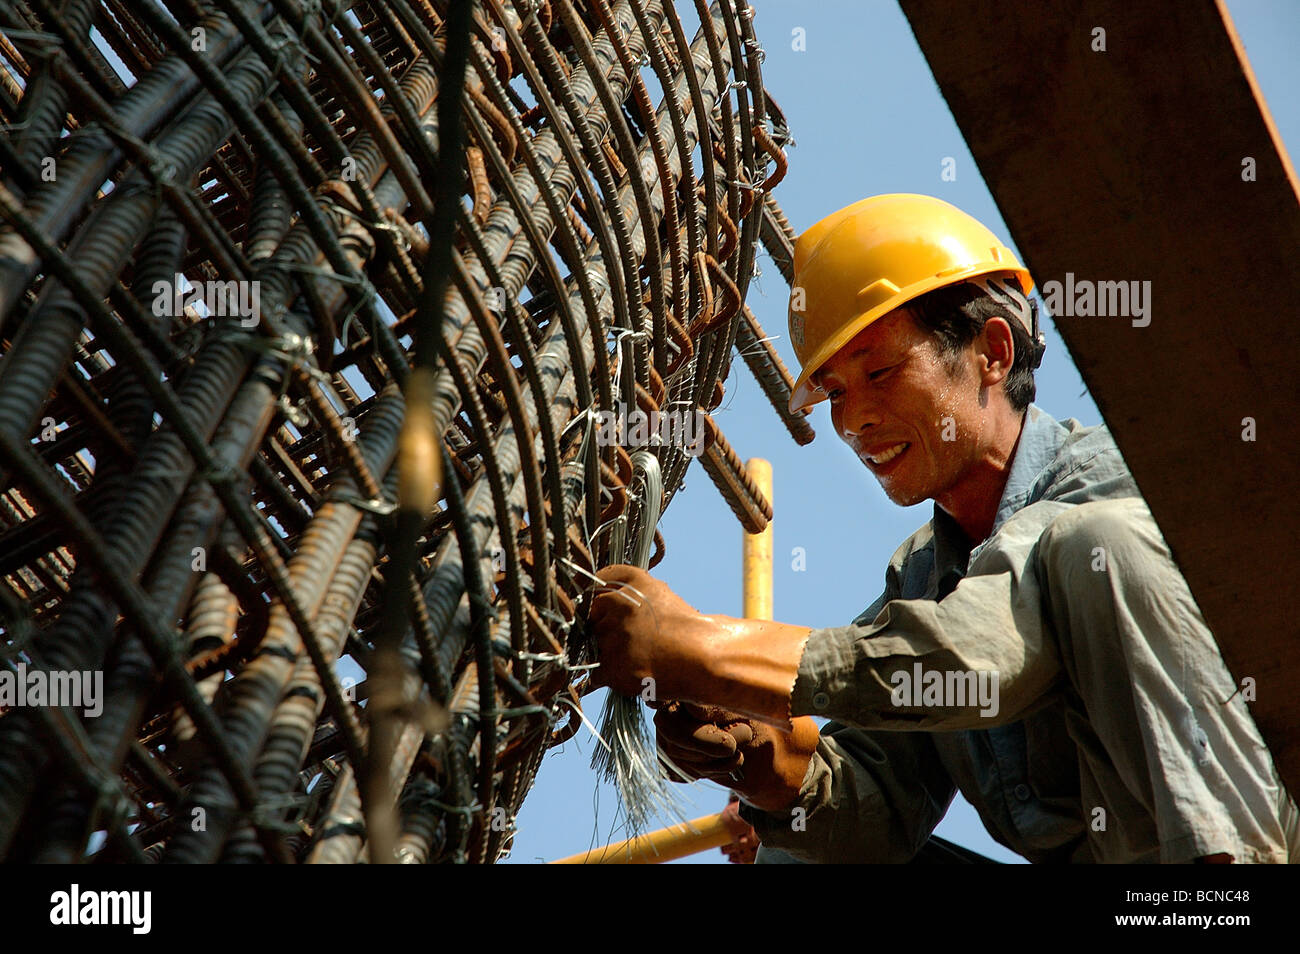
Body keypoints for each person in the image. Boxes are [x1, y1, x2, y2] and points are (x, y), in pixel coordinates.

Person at [586, 194, 1299, 863]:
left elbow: (972, 656)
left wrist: (703, 648)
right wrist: (767, 764)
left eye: (881, 372)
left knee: (1095, 552)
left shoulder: (1118, 484)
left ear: (992, 351)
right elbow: (875, 794)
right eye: (834, 392)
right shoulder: (927, 577)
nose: (852, 419)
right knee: (790, 848)